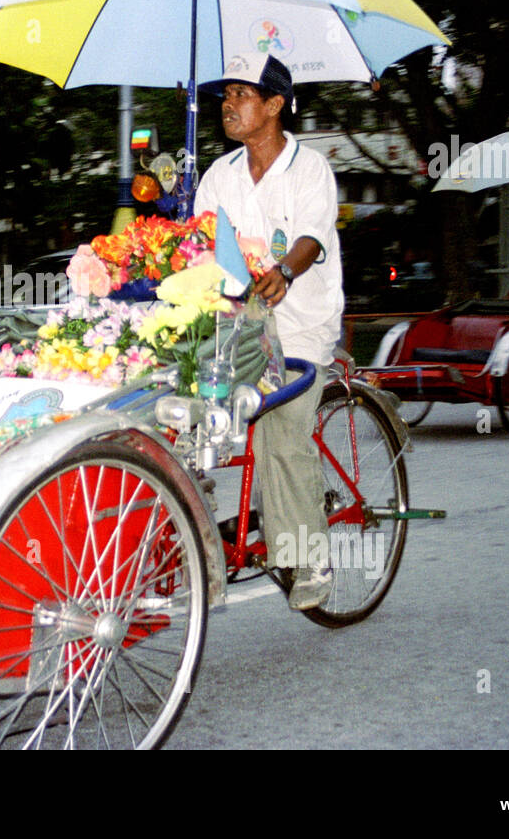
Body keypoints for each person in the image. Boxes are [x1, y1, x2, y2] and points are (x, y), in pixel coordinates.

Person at [193, 53, 344, 611]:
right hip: (238, 324)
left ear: (275, 104)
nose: (228, 105)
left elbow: (308, 239)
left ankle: (310, 557)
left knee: (282, 430)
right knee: (180, 410)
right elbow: (201, 244)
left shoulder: (311, 170)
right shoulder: (219, 176)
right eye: (224, 96)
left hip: (301, 323)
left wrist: (284, 271)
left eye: (240, 94)